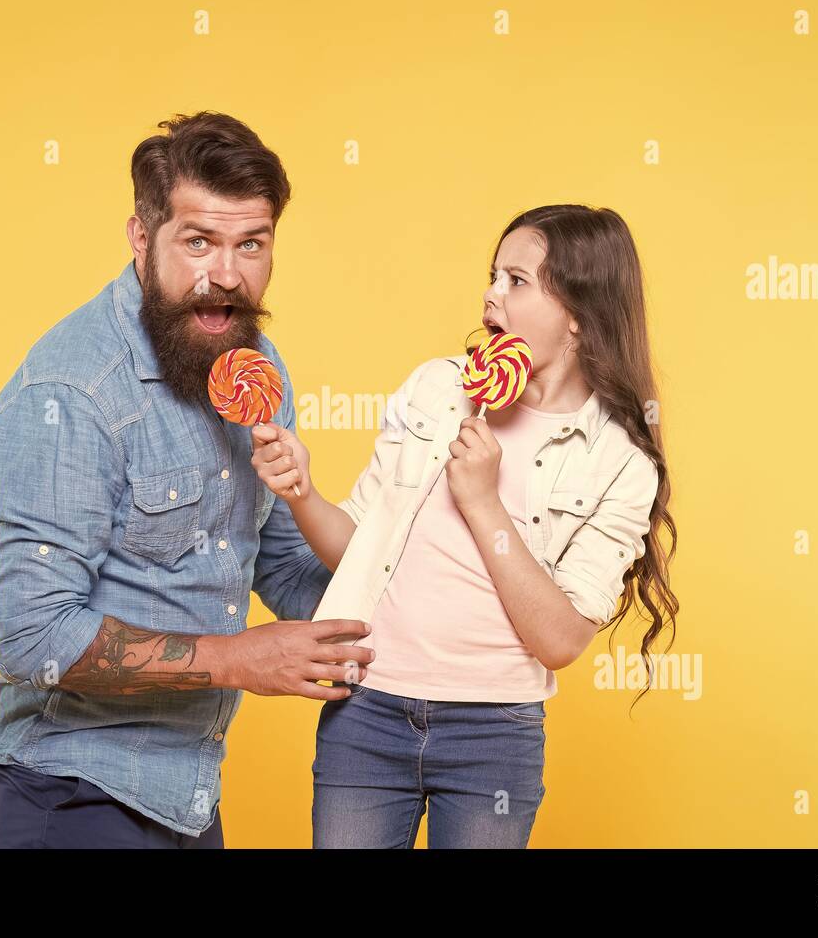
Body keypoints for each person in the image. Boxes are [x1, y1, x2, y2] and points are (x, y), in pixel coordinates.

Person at [0, 111, 374, 849]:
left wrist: (418, 589)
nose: (227, 274)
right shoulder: (72, 392)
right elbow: (32, 638)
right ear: (140, 236)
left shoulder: (255, 367)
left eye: (251, 244)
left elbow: (283, 568)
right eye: (198, 242)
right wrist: (242, 659)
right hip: (70, 797)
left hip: (184, 798)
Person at [251, 204, 679, 848]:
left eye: (517, 280)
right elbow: (356, 547)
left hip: (493, 734)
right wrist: (302, 492)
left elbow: (560, 640)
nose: (491, 293)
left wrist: (482, 501)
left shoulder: (619, 460)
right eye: (493, 275)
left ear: (578, 318)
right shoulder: (436, 388)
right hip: (367, 708)